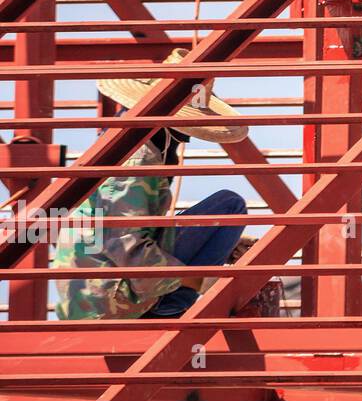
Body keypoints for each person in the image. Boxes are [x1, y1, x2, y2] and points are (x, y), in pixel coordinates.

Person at [53, 48, 250, 320]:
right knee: (229, 206)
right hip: (110, 299)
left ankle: (170, 298)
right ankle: (168, 305)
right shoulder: (137, 159)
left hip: (92, 295)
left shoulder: (126, 144)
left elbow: (120, 229)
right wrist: (193, 280)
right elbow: (121, 239)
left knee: (221, 218)